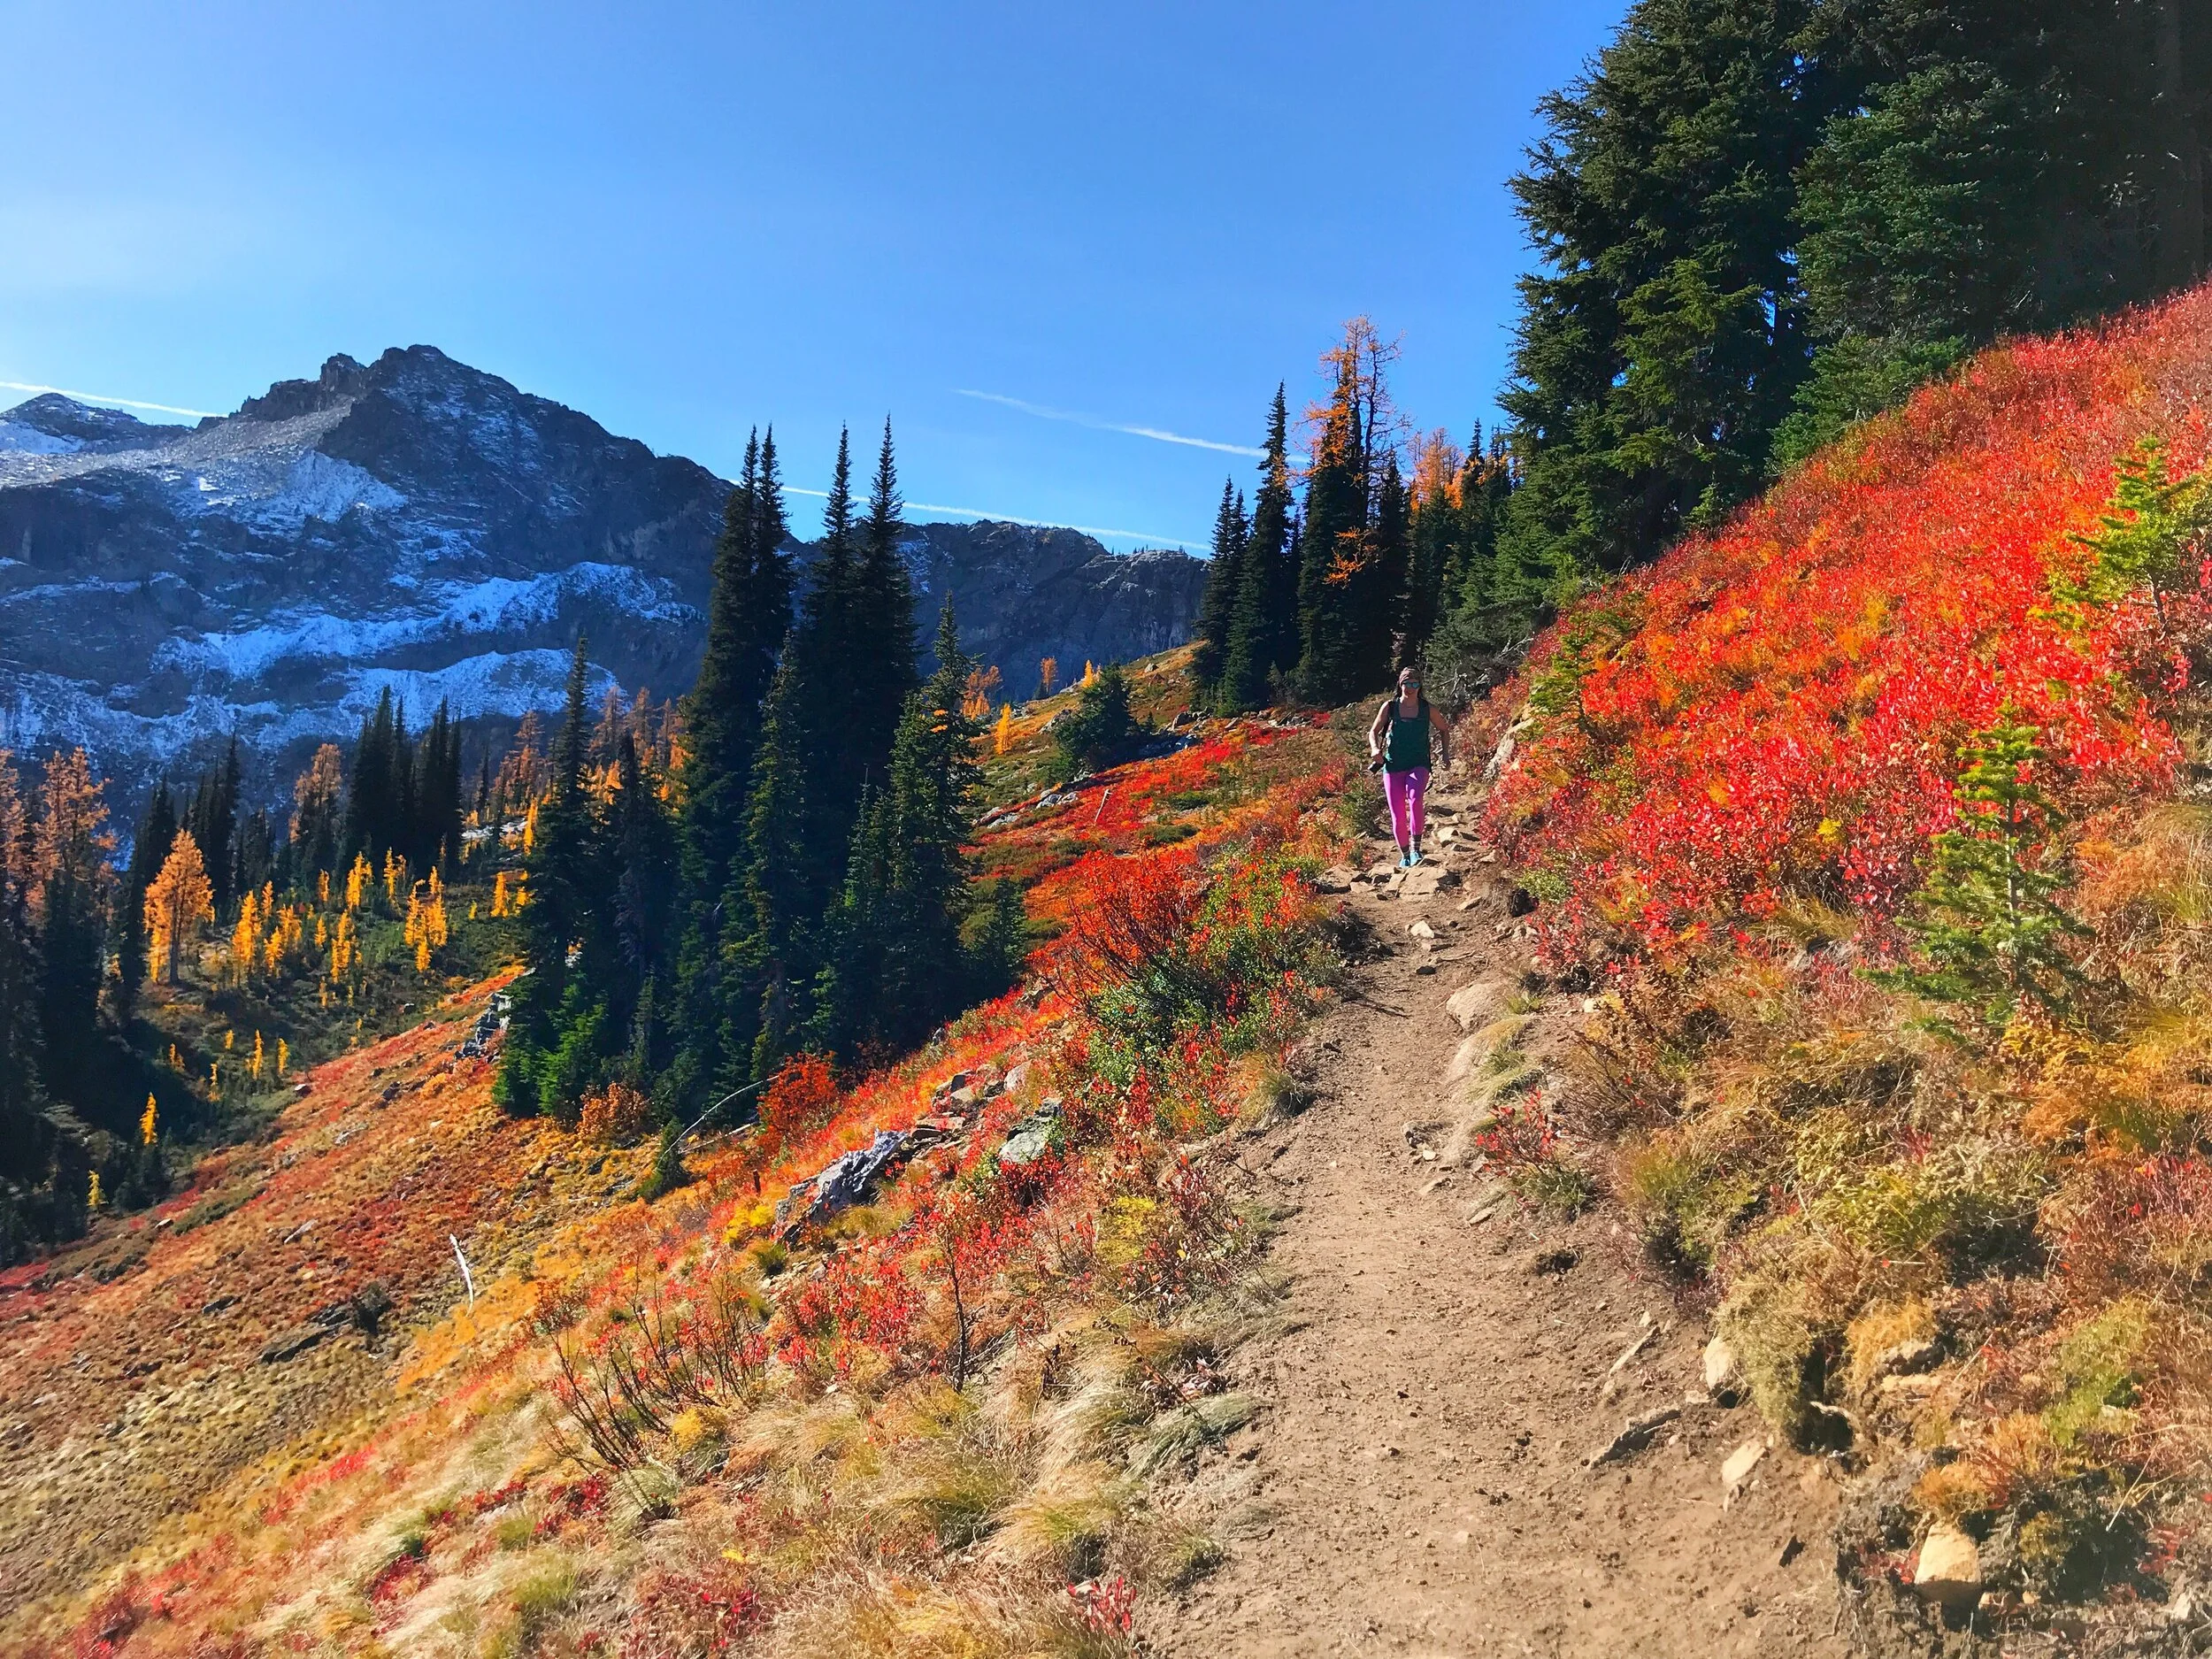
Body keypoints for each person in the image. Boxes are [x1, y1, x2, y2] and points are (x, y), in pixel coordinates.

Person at [1367, 667, 1452, 868]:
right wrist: (1374, 749)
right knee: (1397, 813)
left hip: (1418, 763)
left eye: (1415, 684)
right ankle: (1405, 855)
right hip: (1393, 764)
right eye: (1407, 683)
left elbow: (1444, 729)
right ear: (1400, 684)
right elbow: (1374, 731)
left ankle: (1416, 850)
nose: (1411, 688)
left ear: (1420, 686)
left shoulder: (1427, 709)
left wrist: (1446, 754)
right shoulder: (1390, 707)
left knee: (1415, 800)